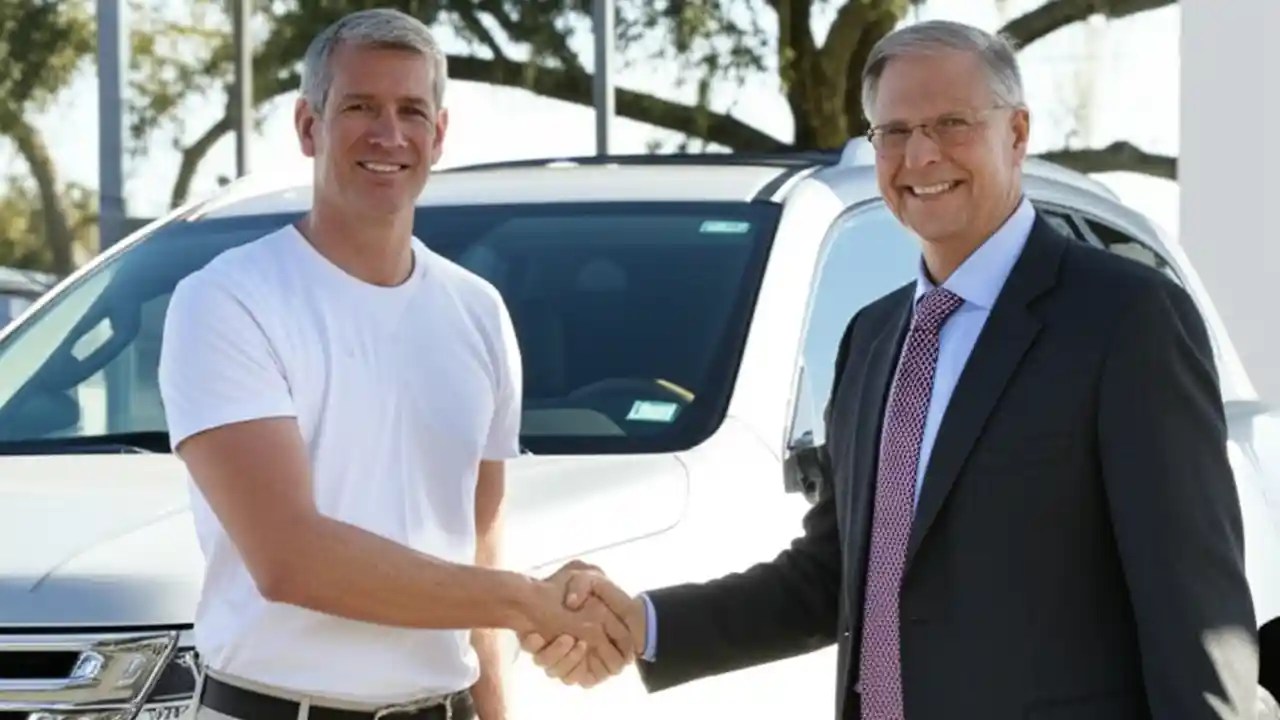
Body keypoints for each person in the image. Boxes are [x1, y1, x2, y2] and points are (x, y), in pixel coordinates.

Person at [520, 19, 1261, 720]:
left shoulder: (1125, 320)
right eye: (896, 132)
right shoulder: (872, 339)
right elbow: (836, 577)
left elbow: (1194, 615)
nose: (921, 157)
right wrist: (643, 622)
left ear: (1019, 132)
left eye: (951, 125)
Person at [158, 9, 631, 720]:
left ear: (439, 135)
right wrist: (527, 601)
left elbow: (479, 546)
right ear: (308, 125)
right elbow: (291, 558)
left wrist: (496, 703)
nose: (389, 134)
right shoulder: (227, 301)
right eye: (359, 107)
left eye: (412, 110)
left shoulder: (478, 313)